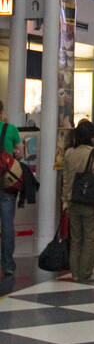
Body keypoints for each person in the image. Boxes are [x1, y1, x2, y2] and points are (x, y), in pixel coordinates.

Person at [61, 119, 94, 282]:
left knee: (76, 238)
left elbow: (67, 180)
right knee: (90, 238)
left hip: (74, 201)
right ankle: (86, 272)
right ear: (91, 136)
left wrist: (65, 200)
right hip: (91, 202)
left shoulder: (69, 153)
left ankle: (75, 272)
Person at [0, 102, 23, 278]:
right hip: (6, 183)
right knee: (7, 225)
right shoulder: (11, 129)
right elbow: (20, 154)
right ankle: (7, 264)